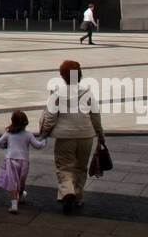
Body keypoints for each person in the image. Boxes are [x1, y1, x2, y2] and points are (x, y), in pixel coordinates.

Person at [39, 60, 105, 215]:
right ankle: (78, 196)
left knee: (64, 167)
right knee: (81, 167)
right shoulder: (88, 93)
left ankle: (68, 191)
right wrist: (101, 135)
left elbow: (49, 118)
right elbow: (96, 117)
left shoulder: (57, 94)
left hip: (65, 137)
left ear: (62, 76)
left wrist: (43, 135)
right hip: (86, 135)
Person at [0, 109, 46, 213]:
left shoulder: (8, 133)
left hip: (11, 160)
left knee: (13, 182)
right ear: (25, 123)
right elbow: (37, 145)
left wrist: (5, 146)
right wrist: (44, 140)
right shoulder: (28, 135)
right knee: (21, 181)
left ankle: (14, 204)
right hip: (24, 161)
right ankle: (21, 194)